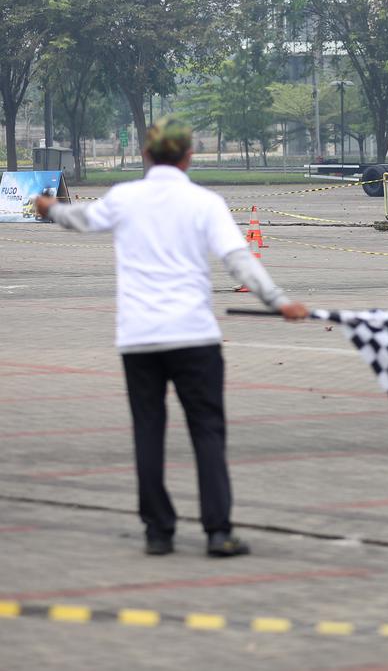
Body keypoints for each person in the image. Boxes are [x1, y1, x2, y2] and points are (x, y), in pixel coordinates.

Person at [34, 117, 309, 558]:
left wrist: (49, 208)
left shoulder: (125, 197)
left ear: (146, 154)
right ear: (188, 157)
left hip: (139, 338)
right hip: (194, 336)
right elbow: (238, 259)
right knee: (207, 432)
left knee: (148, 431)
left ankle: (158, 532)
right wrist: (278, 301)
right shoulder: (205, 202)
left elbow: (79, 218)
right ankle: (217, 531)